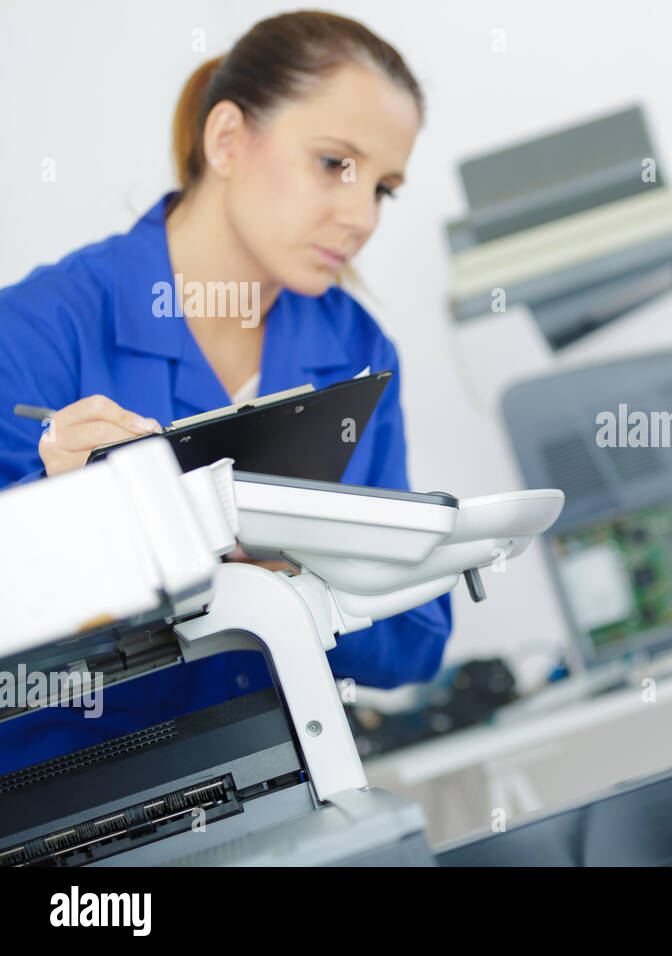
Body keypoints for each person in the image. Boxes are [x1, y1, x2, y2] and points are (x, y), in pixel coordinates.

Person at [0, 11, 452, 774]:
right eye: (335, 164)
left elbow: (417, 641)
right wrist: (67, 521)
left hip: (288, 778)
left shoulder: (357, 353)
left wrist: (301, 562)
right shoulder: (38, 332)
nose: (362, 215)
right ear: (228, 140)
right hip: (62, 808)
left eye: (385, 189)